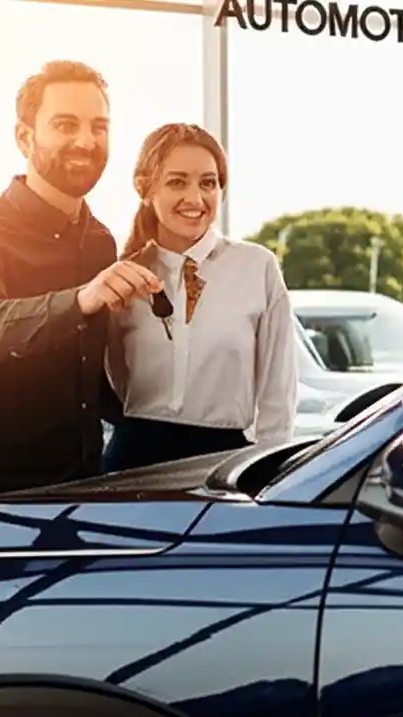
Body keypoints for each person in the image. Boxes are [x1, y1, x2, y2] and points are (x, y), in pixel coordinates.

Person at [0, 60, 163, 501]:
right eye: (65, 125)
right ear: (24, 137)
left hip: (77, 488)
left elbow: (92, 374)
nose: (86, 141)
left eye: (99, 126)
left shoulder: (99, 240)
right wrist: (80, 300)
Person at [102, 123, 297, 472]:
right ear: (144, 188)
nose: (195, 198)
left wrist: (270, 467)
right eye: (177, 182)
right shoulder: (125, 274)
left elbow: (277, 388)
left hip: (225, 462)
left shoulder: (257, 267)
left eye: (208, 183)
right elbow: (114, 377)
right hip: (133, 459)